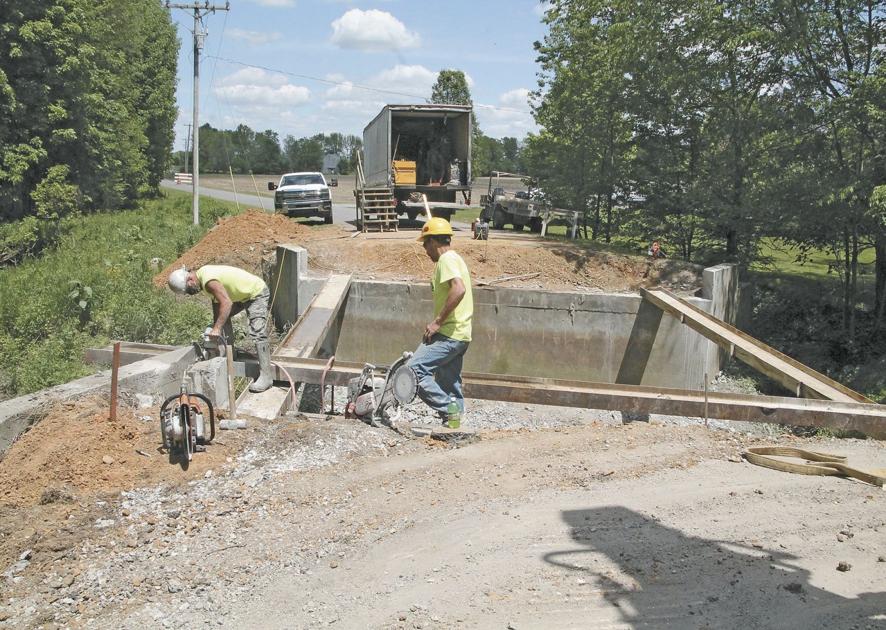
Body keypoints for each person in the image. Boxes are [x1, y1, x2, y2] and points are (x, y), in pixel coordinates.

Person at [167, 265, 273, 393]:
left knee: (257, 330)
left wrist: (217, 329)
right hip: (240, 295)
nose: (192, 293)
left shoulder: (208, 280)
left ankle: (266, 376)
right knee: (222, 320)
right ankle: (230, 355)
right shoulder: (203, 280)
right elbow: (218, 311)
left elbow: (226, 303)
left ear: (190, 280)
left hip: (256, 292)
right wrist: (215, 328)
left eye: (189, 290)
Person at [408, 218, 473, 424]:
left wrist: (437, 322)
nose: (425, 250)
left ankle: (448, 411)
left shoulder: (446, 260)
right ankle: (454, 425)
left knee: (413, 371)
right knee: (449, 382)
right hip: (461, 335)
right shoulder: (455, 259)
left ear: (434, 241)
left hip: (449, 333)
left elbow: (459, 289)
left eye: (425, 244)